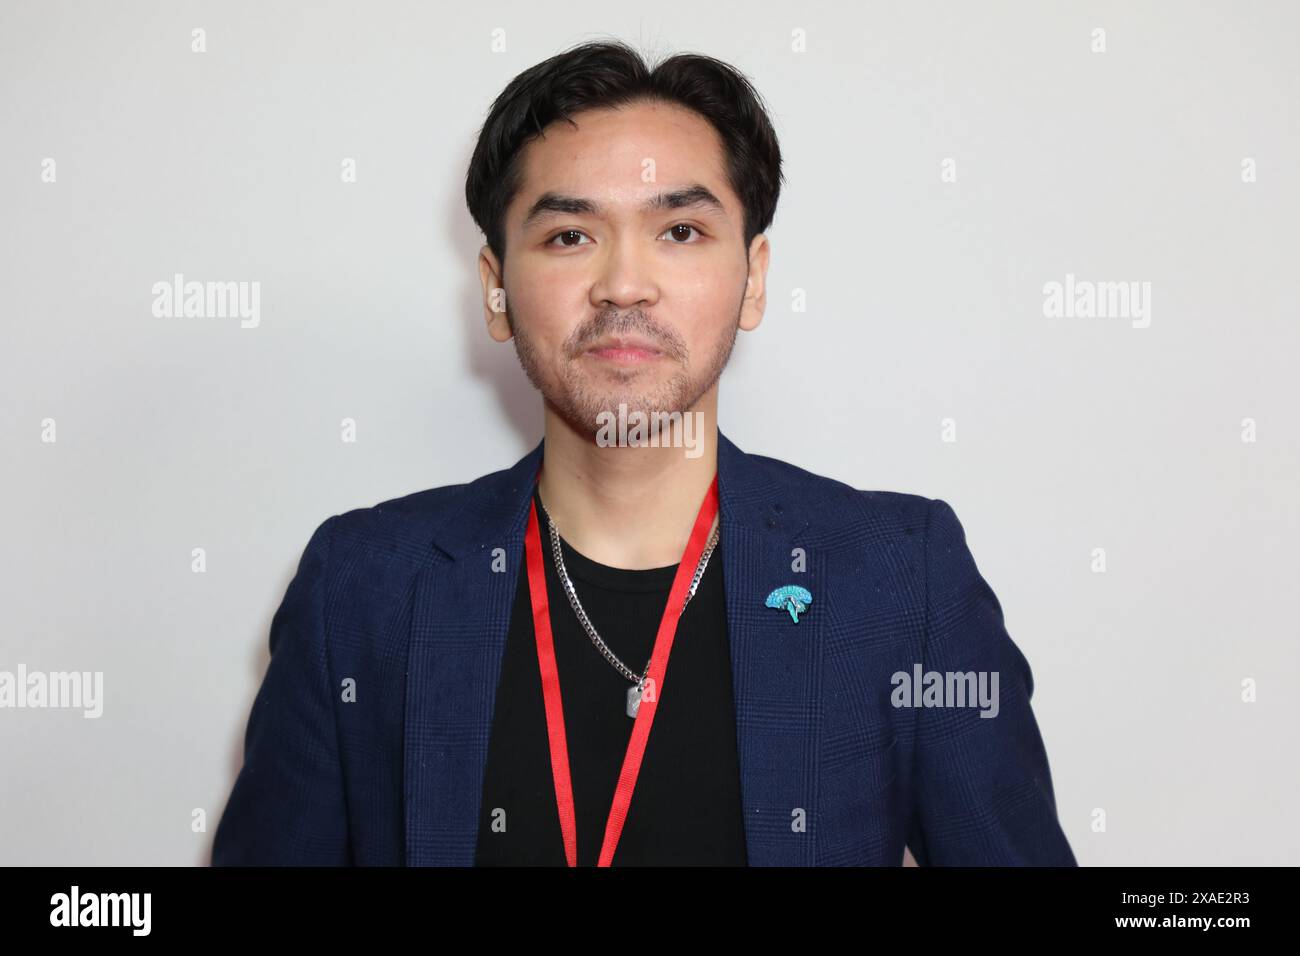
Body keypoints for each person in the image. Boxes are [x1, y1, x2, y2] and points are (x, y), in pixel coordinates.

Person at [211, 39, 1076, 867]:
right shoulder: (361, 590)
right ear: (496, 289)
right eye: (569, 237)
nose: (625, 284)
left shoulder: (900, 582)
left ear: (756, 277)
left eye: (681, 233)